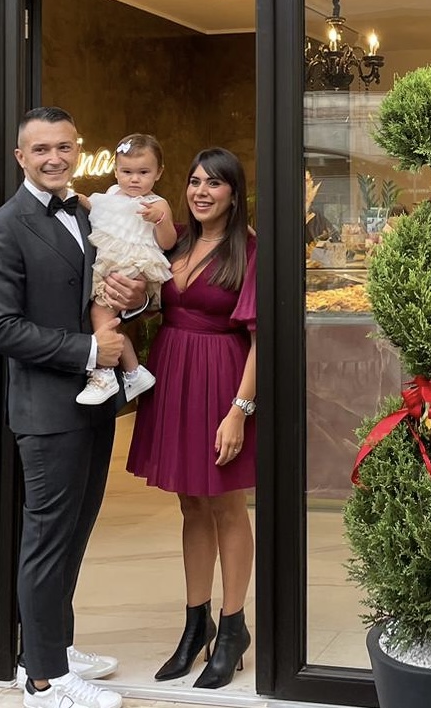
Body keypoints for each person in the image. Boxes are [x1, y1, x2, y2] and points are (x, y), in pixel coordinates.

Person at [0, 107, 148, 708]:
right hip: (46, 411)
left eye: (64, 146)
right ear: (20, 157)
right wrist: (86, 348)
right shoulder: (3, 227)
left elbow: (106, 291)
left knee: (74, 535)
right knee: (47, 540)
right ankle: (42, 679)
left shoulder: (85, 211)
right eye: (41, 148)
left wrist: (137, 298)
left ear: (79, 149)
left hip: (94, 405)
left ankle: (56, 645)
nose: (55, 157)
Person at [126, 147, 257, 690]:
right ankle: (194, 621)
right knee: (190, 506)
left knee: (226, 504)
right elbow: (141, 299)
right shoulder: (171, 239)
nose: (201, 191)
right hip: (174, 378)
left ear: (233, 193)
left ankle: (232, 627)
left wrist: (239, 412)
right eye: (194, 181)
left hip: (223, 381)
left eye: (214, 184)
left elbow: (261, 339)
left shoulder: (248, 249)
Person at [77, 133, 175, 406]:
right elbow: (101, 214)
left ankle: (104, 371)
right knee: (109, 322)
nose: (134, 179)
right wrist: (84, 202)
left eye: (143, 172)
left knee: (100, 312)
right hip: (112, 264)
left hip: (136, 266)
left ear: (158, 173)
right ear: (116, 170)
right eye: (126, 171)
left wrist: (160, 220)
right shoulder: (111, 194)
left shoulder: (156, 203)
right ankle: (133, 372)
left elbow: (167, 242)